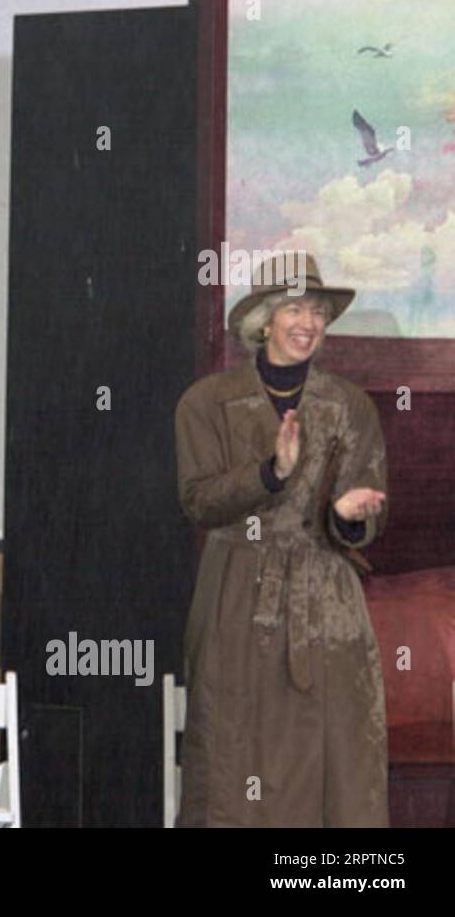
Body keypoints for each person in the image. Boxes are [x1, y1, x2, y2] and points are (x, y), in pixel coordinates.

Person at [174, 252, 388, 826]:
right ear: (265, 320)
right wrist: (271, 472)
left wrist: (346, 515)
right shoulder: (206, 402)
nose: (309, 323)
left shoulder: (349, 405)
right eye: (295, 309)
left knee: (337, 762)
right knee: (234, 756)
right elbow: (198, 501)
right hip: (237, 599)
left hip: (329, 607)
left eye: (318, 312)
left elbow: (370, 510)